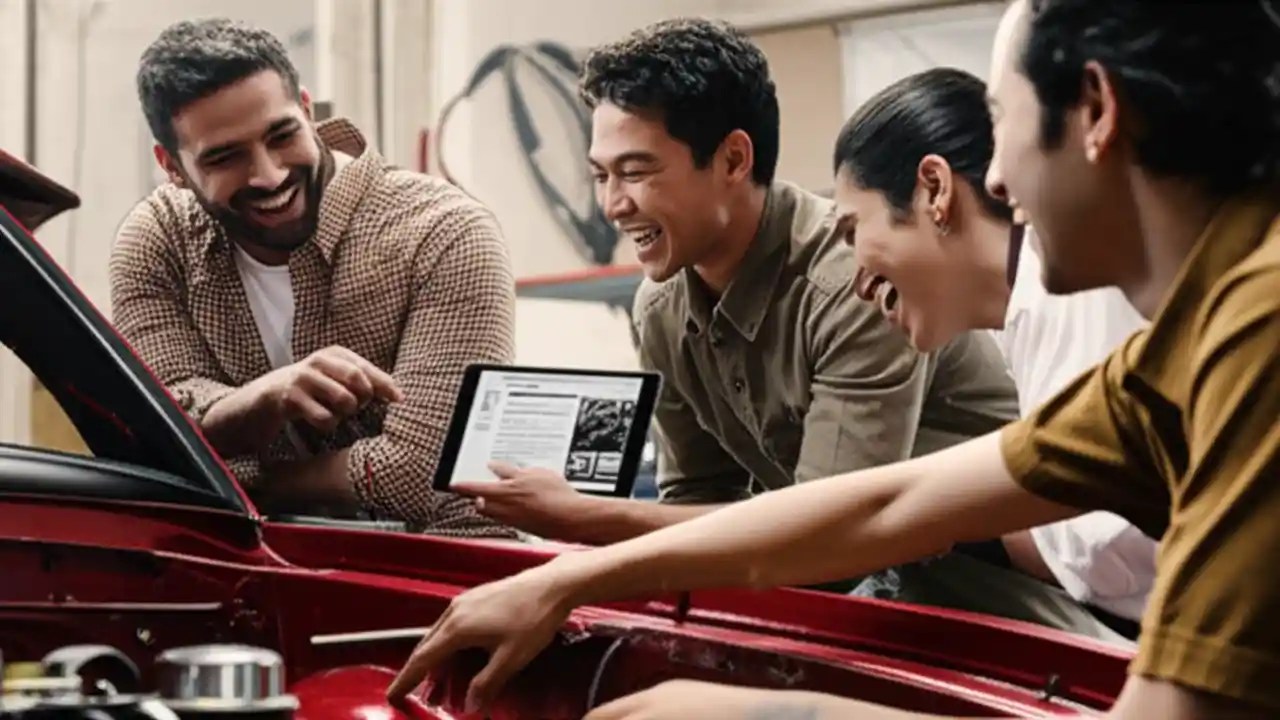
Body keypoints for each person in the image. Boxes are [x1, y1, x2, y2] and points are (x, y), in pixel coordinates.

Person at [386, 0, 1280, 717]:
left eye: (1000, 122)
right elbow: (898, 499)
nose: (996, 182)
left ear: (1094, 112)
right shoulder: (1178, 348)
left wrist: (781, 714)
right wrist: (579, 572)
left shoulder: (1259, 331)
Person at [451, 17, 1019, 549]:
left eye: (636, 171)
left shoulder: (856, 283)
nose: (612, 206)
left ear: (732, 159)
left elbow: (830, 536)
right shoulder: (661, 310)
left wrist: (591, 518)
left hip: (988, 590)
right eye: (600, 175)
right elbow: (696, 499)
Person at [109, 19, 516, 537]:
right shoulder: (159, 240)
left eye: (282, 136)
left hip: (443, 575)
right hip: (247, 572)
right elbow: (155, 432)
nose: (270, 175)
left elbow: (423, 475)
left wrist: (240, 482)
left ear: (307, 109)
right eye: (225, 157)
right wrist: (265, 399)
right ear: (172, 166)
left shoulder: (443, 233)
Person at [834, 67, 1152, 642]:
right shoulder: (1024, 321)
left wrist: (931, 518)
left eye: (852, 231)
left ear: (934, 189)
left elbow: (1113, 548)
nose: (857, 283)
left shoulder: (1082, 300)